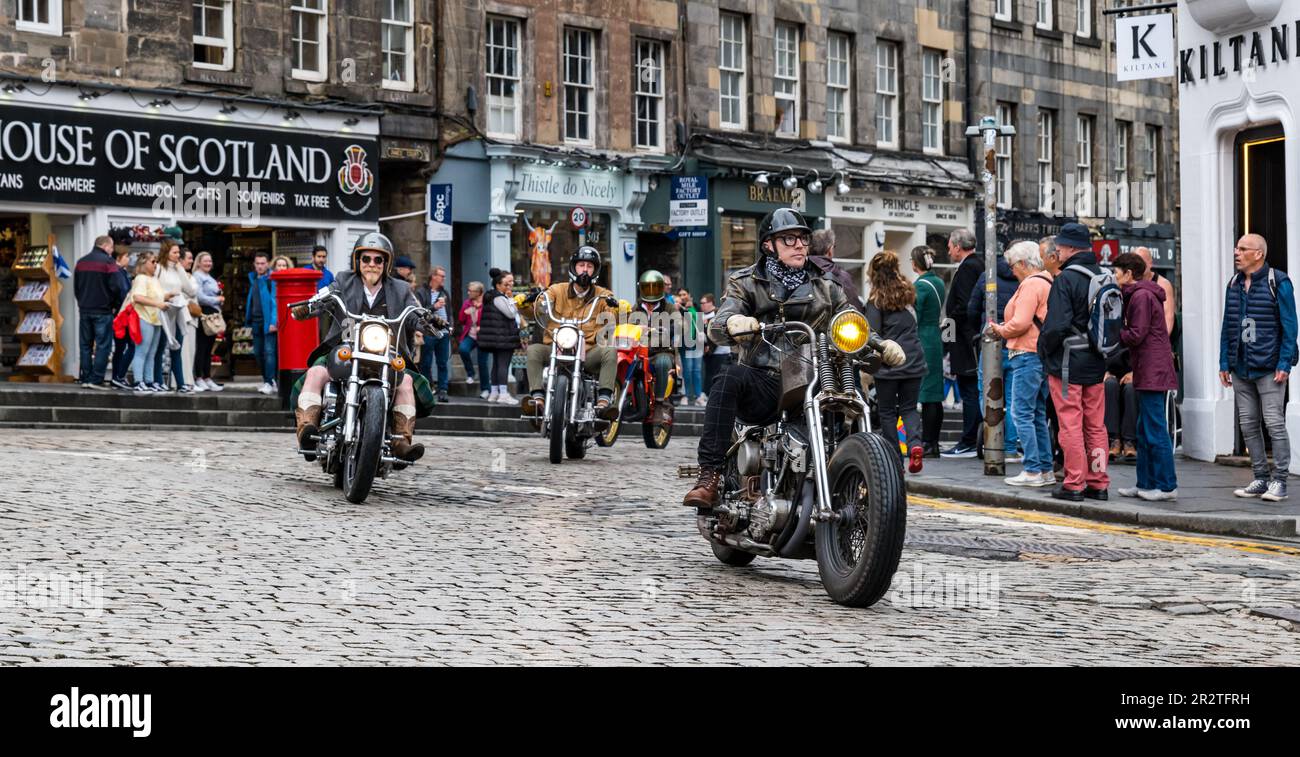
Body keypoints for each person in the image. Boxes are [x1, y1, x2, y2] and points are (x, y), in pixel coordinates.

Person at [683, 207, 904, 508]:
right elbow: (720, 323)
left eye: (802, 238)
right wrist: (734, 323)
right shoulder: (746, 282)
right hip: (764, 380)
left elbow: (849, 320)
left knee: (852, 402)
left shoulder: (827, 286)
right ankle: (710, 475)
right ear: (768, 245)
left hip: (810, 378)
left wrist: (879, 343)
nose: (800, 245)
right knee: (729, 377)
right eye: (788, 239)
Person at [291, 233, 432, 462]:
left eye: (378, 260)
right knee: (317, 372)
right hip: (346, 347)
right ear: (358, 260)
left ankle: (401, 442)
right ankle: (307, 430)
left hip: (387, 352)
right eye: (366, 259)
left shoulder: (401, 288)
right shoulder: (343, 280)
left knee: (405, 381)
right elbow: (325, 297)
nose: (372, 264)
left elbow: (414, 312)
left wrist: (428, 321)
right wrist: (309, 306)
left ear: (386, 263)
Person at [1221, 233, 1298, 502]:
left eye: (1243, 249)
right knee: (1249, 425)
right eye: (1236, 247)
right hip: (1241, 367)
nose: (1236, 252)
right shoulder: (1234, 283)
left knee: (1274, 424)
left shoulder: (1279, 282)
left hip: (1270, 367)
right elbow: (1227, 325)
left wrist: (1284, 363)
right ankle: (1260, 478)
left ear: (1258, 254)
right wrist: (1224, 362)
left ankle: (1280, 481)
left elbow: (1290, 327)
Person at [1038, 222, 1110, 502]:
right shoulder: (1105, 275)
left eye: (1060, 246)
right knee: (1095, 425)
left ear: (1069, 248)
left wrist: (1044, 349)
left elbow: (1056, 325)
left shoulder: (1067, 278)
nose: (1058, 250)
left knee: (1069, 422)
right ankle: (1099, 482)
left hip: (1068, 361)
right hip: (1097, 360)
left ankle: (1074, 483)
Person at [520, 247, 620, 415]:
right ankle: (537, 398)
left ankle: (604, 402)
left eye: (590, 266)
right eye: (581, 265)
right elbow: (540, 307)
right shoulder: (556, 290)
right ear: (574, 267)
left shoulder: (603, 295)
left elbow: (614, 314)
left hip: (587, 352)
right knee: (533, 350)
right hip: (555, 349)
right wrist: (525, 303)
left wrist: (619, 308)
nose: (585, 270)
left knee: (609, 352)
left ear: (595, 270)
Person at [1112, 253, 1179, 501]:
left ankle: (1167, 486)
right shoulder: (1140, 294)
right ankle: (1145, 483)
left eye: (1117, 272)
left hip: (1153, 369)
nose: (1114, 277)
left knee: (1155, 429)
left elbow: (1137, 334)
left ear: (1129, 274)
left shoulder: (1140, 296)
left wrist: (1115, 333)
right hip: (1148, 367)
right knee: (1143, 429)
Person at [990, 241, 1055, 487]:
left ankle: (1032, 469)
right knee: (1037, 413)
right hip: (1040, 355)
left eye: (1013, 265)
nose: (1011, 270)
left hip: (1026, 353)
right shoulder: (1047, 281)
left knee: (1021, 413)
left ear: (1024, 264)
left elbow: (1021, 322)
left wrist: (999, 330)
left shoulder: (1030, 285)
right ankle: (1045, 468)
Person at [864, 251, 927, 472]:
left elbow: (872, 334)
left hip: (890, 363)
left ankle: (894, 458)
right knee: (909, 408)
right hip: (914, 358)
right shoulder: (909, 292)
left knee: (888, 411)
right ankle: (916, 445)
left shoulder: (875, 299)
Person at [940, 228, 984, 458]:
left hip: (966, 341)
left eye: (949, 245)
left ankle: (968, 440)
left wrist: (948, 326)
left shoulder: (968, 268)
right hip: (967, 338)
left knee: (969, 391)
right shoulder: (975, 265)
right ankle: (974, 440)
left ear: (958, 246)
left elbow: (965, 305)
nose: (948, 249)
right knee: (972, 390)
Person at [74, 234, 127, 389]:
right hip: (103, 310)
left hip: (84, 309)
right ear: (105, 246)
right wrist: (115, 305)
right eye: (111, 248)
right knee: (103, 346)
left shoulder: (81, 262)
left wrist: (82, 303)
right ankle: (96, 379)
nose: (111, 251)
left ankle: (86, 378)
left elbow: (77, 288)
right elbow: (118, 287)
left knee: (85, 345)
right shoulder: (109, 262)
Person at [911, 246, 947, 457]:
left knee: (926, 394)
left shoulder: (921, 286)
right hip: (935, 337)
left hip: (923, 338)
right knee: (935, 394)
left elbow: (915, 314)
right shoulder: (939, 282)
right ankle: (934, 442)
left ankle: (928, 442)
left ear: (915, 264)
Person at [630, 271, 680, 414]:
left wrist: (667, 328)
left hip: (661, 352)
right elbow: (626, 323)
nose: (651, 292)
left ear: (661, 288)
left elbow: (680, 324)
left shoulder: (669, 307)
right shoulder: (636, 308)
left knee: (662, 363)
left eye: (655, 288)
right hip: (640, 351)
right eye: (647, 288)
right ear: (641, 289)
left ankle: (659, 404)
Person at [128, 252, 174, 392]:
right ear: (144, 263)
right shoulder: (141, 278)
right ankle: (138, 380)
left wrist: (167, 296)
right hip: (144, 317)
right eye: (153, 262)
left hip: (155, 319)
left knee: (152, 353)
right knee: (142, 351)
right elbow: (137, 297)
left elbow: (155, 296)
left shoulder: (153, 279)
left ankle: (148, 381)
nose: (156, 265)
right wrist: (158, 304)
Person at [477, 268, 524, 403]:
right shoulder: (499, 297)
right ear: (498, 285)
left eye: (510, 284)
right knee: (503, 364)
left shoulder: (491, 296)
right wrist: (512, 300)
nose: (508, 287)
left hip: (496, 337)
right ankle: (503, 394)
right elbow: (510, 313)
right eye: (505, 285)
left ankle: (494, 392)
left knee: (497, 365)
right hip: (503, 337)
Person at [156, 240, 198, 393]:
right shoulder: (159, 268)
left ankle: (181, 383)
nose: (177, 255)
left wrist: (180, 269)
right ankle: (158, 382)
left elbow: (191, 291)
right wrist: (165, 297)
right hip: (163, 311)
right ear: (166, 252)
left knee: (177, 349)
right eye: (174, 252)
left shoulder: (178, 270)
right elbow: (154, 290)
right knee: (159, 348)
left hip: (179, 313)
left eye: (178, 252)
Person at [415, 266, 452, 403]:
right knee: (426, 362)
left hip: (444, 333)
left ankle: (443, 390)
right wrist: (434, 307)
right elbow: (419, 311)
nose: (444, 279)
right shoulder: (422, 292)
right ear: (433, 277)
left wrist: (450, 326)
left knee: (442, 362)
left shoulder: (444, 293)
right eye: (441, 276)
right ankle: (428, 389)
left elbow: (450, 311)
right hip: (429, 332)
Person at [245, 251, 278, 395]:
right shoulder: (253, 279)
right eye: (257, 263)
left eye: (262, 263)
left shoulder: (272, 280)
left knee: (269, 352)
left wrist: (273, 322)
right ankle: (267, 380)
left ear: (268, 264)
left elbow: (275, 302)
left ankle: (269, 382)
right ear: (254, 264)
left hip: (267, 322)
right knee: (258, 353)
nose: (260, 266)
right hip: (255, 321)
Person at [192, 252, 225, 392]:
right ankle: (199, 376)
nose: (208, 263)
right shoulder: (197, 277)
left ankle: (207, 376)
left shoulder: (209, 277)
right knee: (202, 346)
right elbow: (199, 296)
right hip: (204, 312)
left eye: (210, 261)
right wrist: (216, 300)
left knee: (209, 348)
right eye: (205, 261)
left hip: (213, 313)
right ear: (198, 262)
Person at [808, 228, 864, 310]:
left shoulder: (798, 271)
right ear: (830, 249)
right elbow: (855, 309)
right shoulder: (841, 276)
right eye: (834, 246)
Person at [457, 281, 492, 399]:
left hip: (483, 337)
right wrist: (465, 312)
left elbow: (491, 319)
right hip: (470, 335)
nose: (468, 292)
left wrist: (482, 327)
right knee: (463, 349)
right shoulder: (467, 303)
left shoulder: (487, 303)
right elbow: (461, 320)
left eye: (471, 291)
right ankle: (471, 373)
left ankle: (486, 389)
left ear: (478, 293)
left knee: (483, 363)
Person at [109, 248, 137, 390]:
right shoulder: (118, 273)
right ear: (119, 257)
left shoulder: (122, 273)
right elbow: (120, 293)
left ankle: (117, 376)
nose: (129, 259)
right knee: (127, 346)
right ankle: (118, 376)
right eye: (127, 256)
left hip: (124, 315)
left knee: (122, 347)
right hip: (122, 316)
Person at [698, 293, 730, 405]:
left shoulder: (718, 314)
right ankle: (707, 395)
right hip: (707, 352)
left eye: (704, 303)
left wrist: (709, 347)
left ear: (711, 303)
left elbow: (717, 333)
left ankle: (712, 396)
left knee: (717, 374)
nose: (702, 305)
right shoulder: (701, 316)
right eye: (701, 303)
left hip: (720, 351)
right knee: (708, 373)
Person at [677, 288, 704, 405]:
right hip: (685, 342)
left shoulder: (696, 307)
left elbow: (700, 323)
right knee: (687, 371)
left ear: (689, 295)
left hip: (697, 342)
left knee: (697, 370)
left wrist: (706, 343)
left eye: (684, 294)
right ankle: (687, 396)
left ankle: (698, 396)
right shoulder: (678, 308)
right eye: (680, 295)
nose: (682, 296)